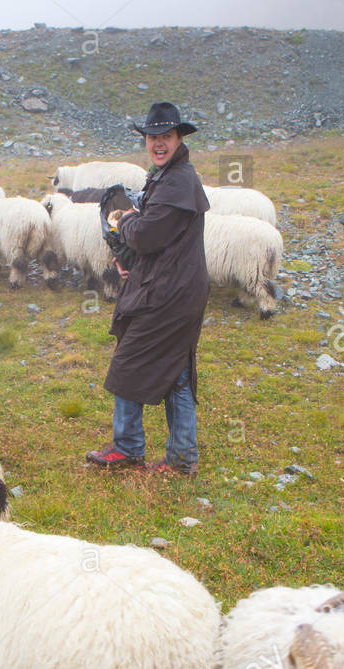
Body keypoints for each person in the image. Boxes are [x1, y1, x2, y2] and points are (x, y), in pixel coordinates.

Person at [86, 102, 210, 476]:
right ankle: (182, 457)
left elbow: (146, 234)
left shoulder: (178, 181)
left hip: (170, 294)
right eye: (153, 137)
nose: (159, 143)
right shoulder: (167, 176)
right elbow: (159, 241)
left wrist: (123, 220)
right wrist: (134, 260)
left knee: (128, 363)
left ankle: (127, 447)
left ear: (178, 138)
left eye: (166, 137)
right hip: (176, 287)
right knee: (176, 372)